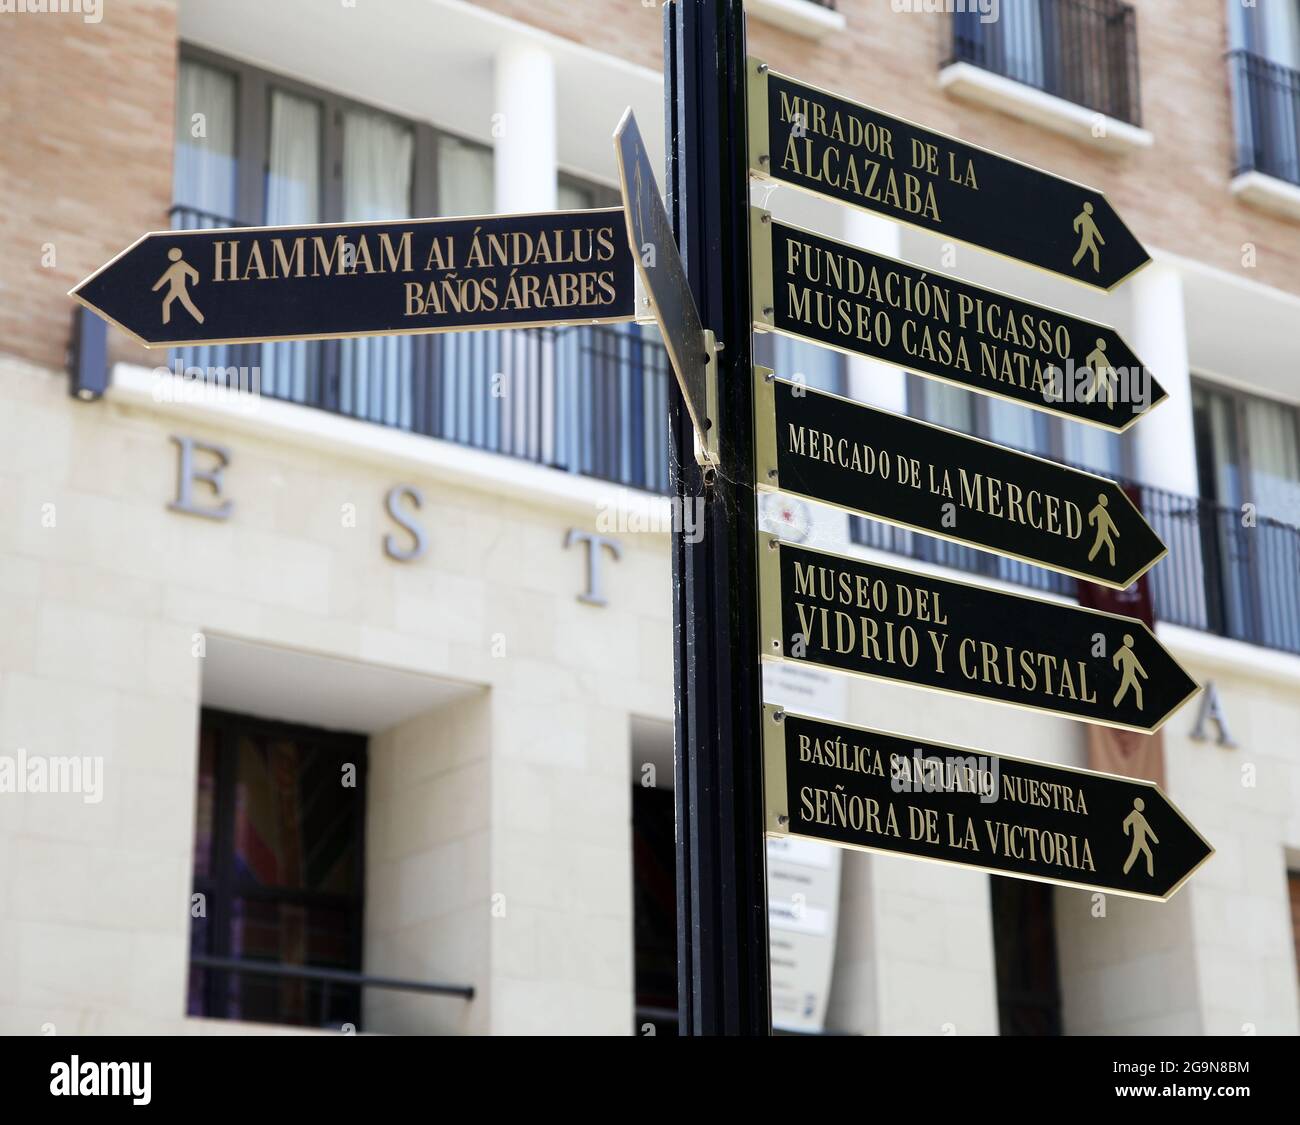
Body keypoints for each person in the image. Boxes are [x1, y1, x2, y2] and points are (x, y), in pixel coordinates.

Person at [152, 247, 204, 326]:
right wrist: (156, 288)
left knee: (186, 304)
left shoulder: (182, 264)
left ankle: (201, 319)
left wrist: (195, 283)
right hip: (174, 289)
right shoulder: (173, 267)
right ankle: (166, 322)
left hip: (181, 289)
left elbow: (194, 273)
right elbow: (165, 278)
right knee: (166, 302)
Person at [1122, 796, 1159, 877]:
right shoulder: (1134, 814)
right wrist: (1126, 832)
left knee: (1148, 855)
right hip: (1137, 840)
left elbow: (1147, 829)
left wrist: (1155, 840)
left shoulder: (1141, 817)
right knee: (1134, 855)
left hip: (1142, 840)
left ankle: (1150, 874)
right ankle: (1125, 870)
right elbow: (1125, 822)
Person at [1112, 633, 1147, 711]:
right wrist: (1116, 667)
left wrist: (1144, 675)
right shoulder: (1124, 649)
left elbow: (1137, 665)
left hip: (1132, 674)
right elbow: (1115, 657)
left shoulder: (1131, 652)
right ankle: (1114, 703)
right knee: (1123, 689)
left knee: (1138, 689)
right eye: (1129, 641)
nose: (1131, 642)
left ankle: (1140, 708)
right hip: (1127, 674)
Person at [1087, 492, 1120, 568]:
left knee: (1111, 547)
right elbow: (1091, 515)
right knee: (1098, 545)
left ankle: (1112, 563)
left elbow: (1110, 523)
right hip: (1101, 532)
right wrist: (1091, 522)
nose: (1105, 502)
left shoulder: (1105, 511)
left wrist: (1116, 532)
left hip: (1106, 532)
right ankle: (1090, 557)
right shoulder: (1098, 508)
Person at [1072, 201, 1106, 274]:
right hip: (1085, 238)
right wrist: (1076, 231)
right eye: (1089, 208)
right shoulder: (1083, 215)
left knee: (1096, 252)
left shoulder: (1090, 219)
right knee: (1082, 251)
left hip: (1090, 239)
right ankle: (1074, 263)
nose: (1091, 210)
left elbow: (1095, 231)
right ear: (1086, 208)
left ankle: (1096, 269)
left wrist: (1101, 241)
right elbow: (1076, 221)